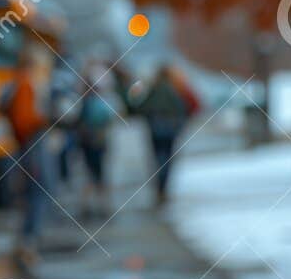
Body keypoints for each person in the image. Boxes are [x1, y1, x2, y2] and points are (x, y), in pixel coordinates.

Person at [0, 46, 55, 265]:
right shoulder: (27, 86)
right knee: (40, 192)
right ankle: (29, 240)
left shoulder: (15, 84)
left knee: (30, 194)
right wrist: (45, 120)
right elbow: (26, 120)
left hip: (24, 147)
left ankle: (26, 239)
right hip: (33, 146)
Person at [132, 62, 201, 205]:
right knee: (167, 157)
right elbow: (194, 105)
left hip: (155, 127)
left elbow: (140, 106)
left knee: (157, 156)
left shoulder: (152, 88)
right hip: (172, 128)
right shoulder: (179, 87)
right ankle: (163, 187)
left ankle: (159, 186)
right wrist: (183, 121)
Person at [71, 60, 120, 217]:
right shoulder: (100, 102)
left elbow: (75, 121)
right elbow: (110, 117)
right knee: (99, 172)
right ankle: (102, 204)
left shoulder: (83, 101)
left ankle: (88, 204)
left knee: (89, 172)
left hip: (87, 141)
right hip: (98, 140)